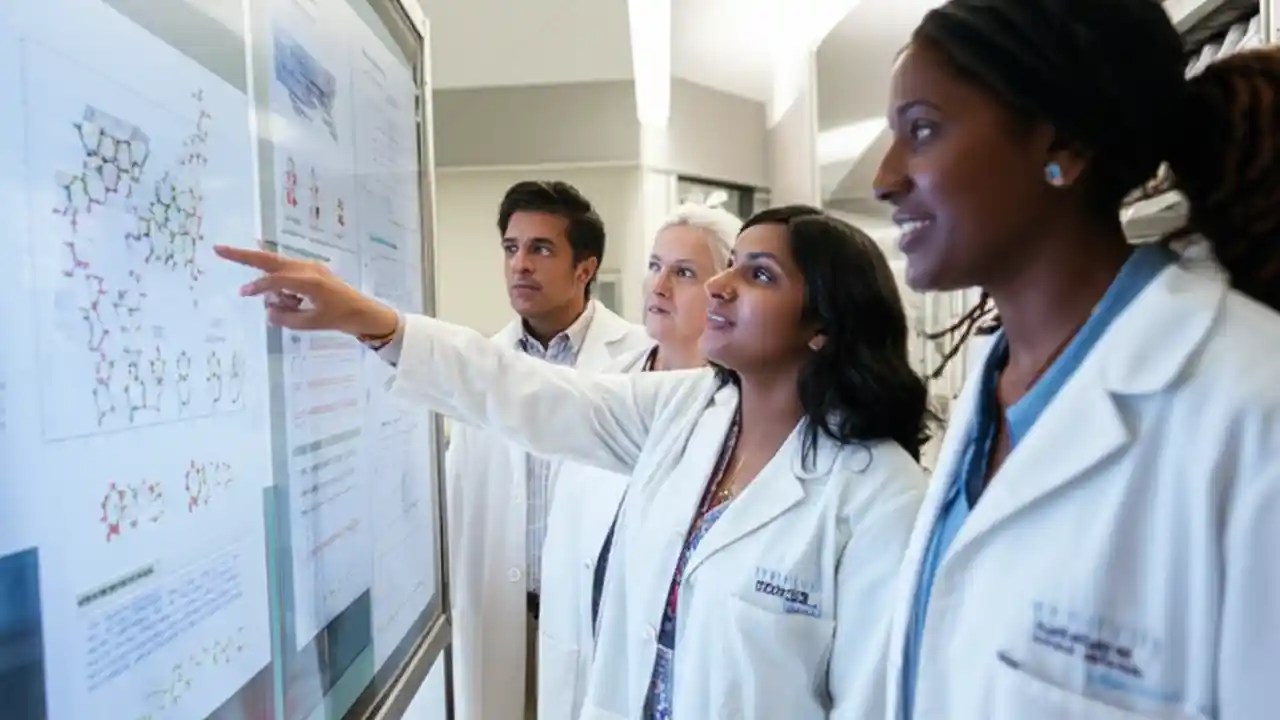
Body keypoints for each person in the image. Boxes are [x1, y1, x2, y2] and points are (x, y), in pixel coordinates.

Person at [217, 204, 930, 718]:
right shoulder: (686, 412)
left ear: (823, 324)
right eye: (730, 265)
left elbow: (877, 702)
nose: (719, 286)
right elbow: (527, 391)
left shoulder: (879, 496)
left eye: (760, 275)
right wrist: (369, 320)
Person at [871, 2, 1280, 718]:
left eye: (924, 130)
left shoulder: (1253, 407)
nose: (884, 178)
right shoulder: (993, 387)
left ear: (1063, 143)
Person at [438, 180, 650, 720]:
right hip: (502, 613)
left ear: (585, 269)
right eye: (511, 248)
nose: (520, 265)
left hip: (592, 618)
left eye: (541, 249)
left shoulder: (638, 361)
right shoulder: (483, 364)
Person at [536, 203, 740, 720]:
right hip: (582, 662)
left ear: (723, 290)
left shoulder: (738, 414)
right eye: (655, 265)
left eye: (684, 273)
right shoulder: (605, 384)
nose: (659, 286)